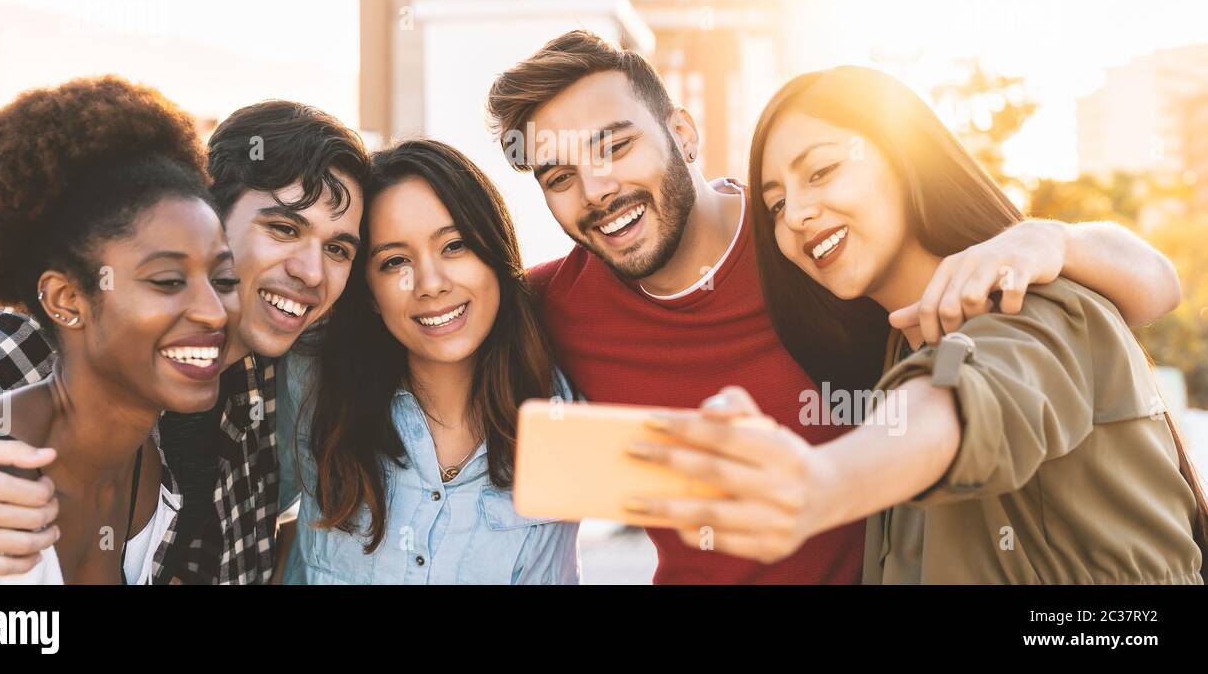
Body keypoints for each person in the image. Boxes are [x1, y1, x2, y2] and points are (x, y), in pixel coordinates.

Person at [484, 30, 1184, 584]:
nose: (597, 187)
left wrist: (1051, 237)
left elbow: (978, 389)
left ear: (684, 134)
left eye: (616, 145)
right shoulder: (550, 306)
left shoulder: (824, 265)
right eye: (560, 177)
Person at [0, 98, 369, 583]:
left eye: (337, 249)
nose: (311, 272)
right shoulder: (44, 332)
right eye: (283, 228)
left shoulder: (263, 377)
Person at [0, 77, 238, 583]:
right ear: (66, 299)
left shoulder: (150, 472)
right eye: (168, 280)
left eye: (223, 278)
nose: (215, 312)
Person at [275, 140, 579, 584]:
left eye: (454, 246)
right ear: (370, 293)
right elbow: (242, 518)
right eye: (395, 260)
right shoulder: (313, 374)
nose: (430, 284)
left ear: (494, 253)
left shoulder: (562, 413)